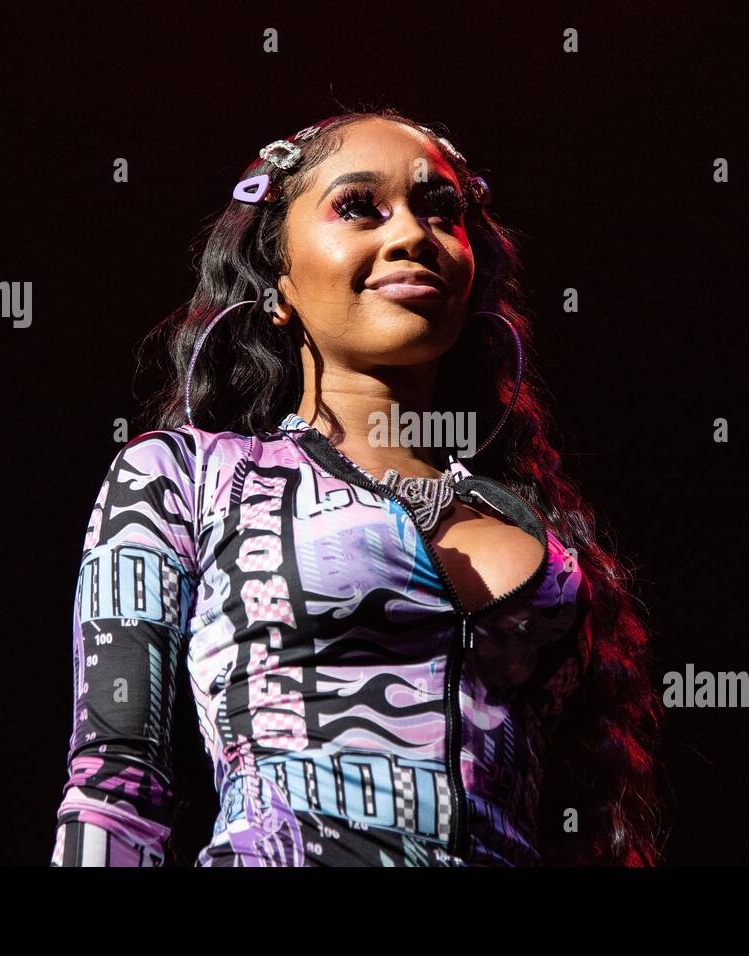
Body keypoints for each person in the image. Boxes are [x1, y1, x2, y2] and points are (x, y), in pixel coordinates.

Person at [50, 108, 664, 866]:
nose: (411, 234)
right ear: (278, 284)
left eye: (440, 210)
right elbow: (116, 787)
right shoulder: (185, 476)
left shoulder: (554, 543)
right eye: (358, 207)